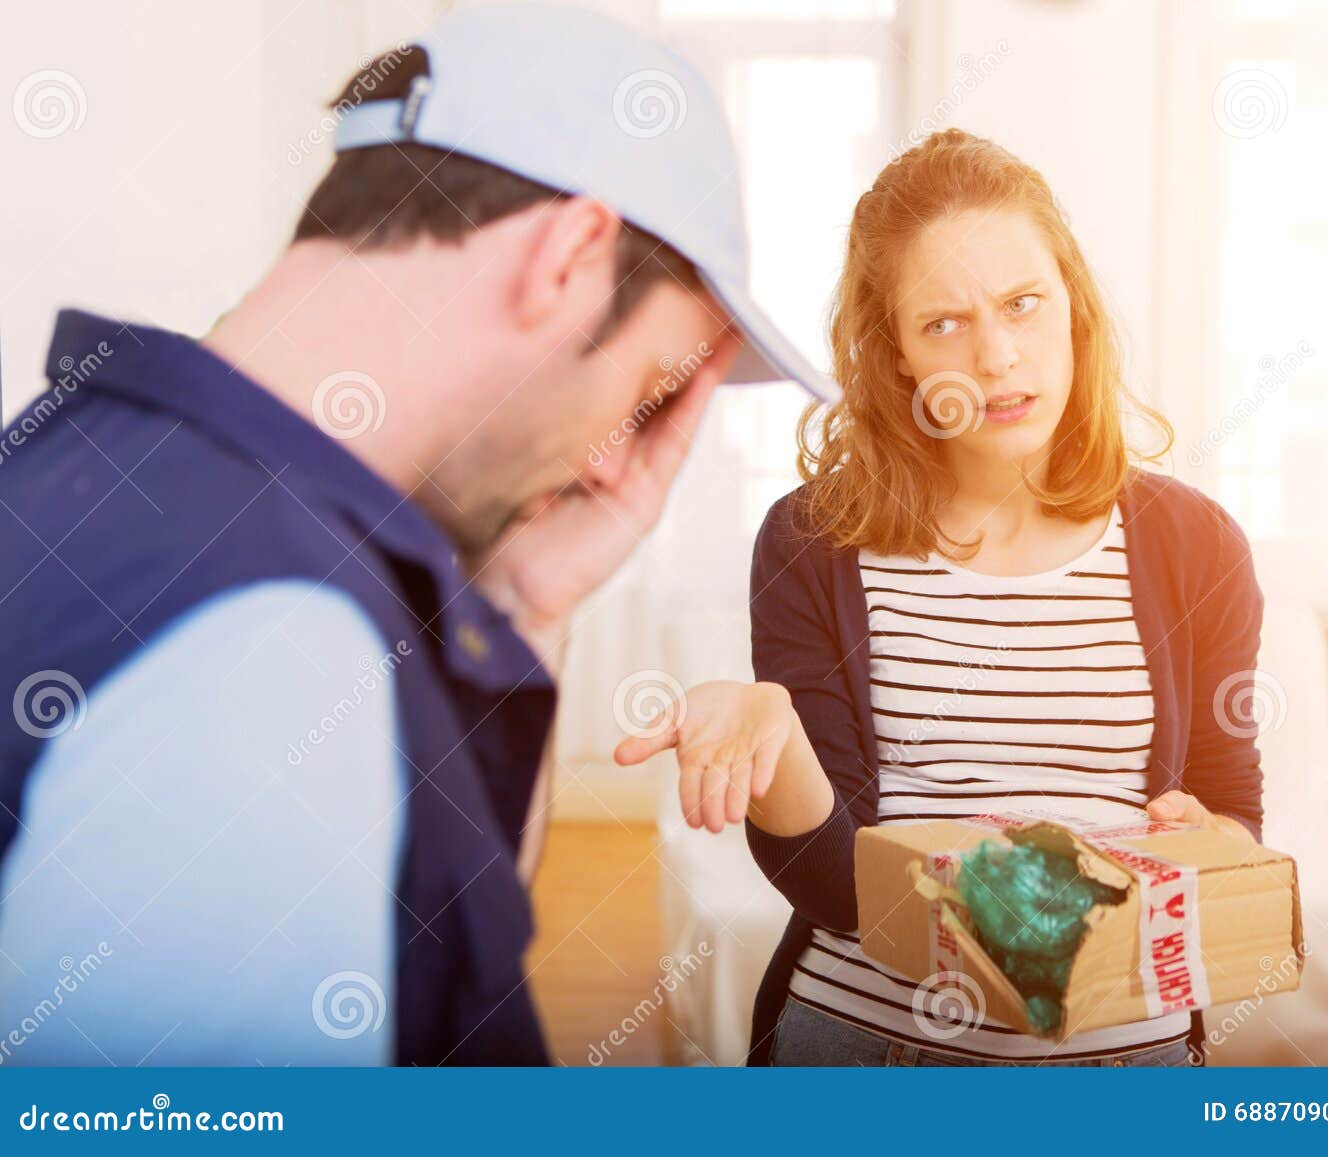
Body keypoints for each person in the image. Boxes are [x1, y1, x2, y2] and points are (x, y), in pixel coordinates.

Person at [0, 5, 834, 1066]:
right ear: (569, 254)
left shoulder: (103, 462)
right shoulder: (270, 642)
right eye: (641, 394)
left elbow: (426, 961)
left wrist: (529, 603)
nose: (609, 468)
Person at [616, 130, 1265, 1067]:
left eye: (1023, 304)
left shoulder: (1194, 543)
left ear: (1075, 310)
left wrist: (1215, 848)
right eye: (944, 323)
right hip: (869, 1047)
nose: (997, 356)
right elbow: (834, 887)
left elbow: (1234, 811)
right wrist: (776, 740)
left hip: (1134, 1057)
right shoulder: (813, 540)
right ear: (898, 358)